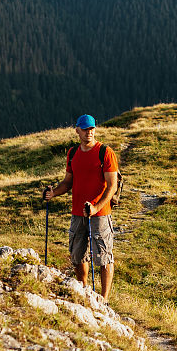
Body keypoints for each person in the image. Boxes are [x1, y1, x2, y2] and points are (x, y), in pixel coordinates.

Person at [42, 114, 119, 301]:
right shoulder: (73, 153)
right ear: (77, 130)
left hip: (100, 214)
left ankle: (104, 300)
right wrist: (54, 193)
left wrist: (95, 207)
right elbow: (68, 182)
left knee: (103, 257)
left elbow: (112, 186)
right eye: (85, 129)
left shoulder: (105, 152)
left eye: (91, 128)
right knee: (78, 255)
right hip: (78, 213)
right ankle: (84, 292)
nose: (89, 132)